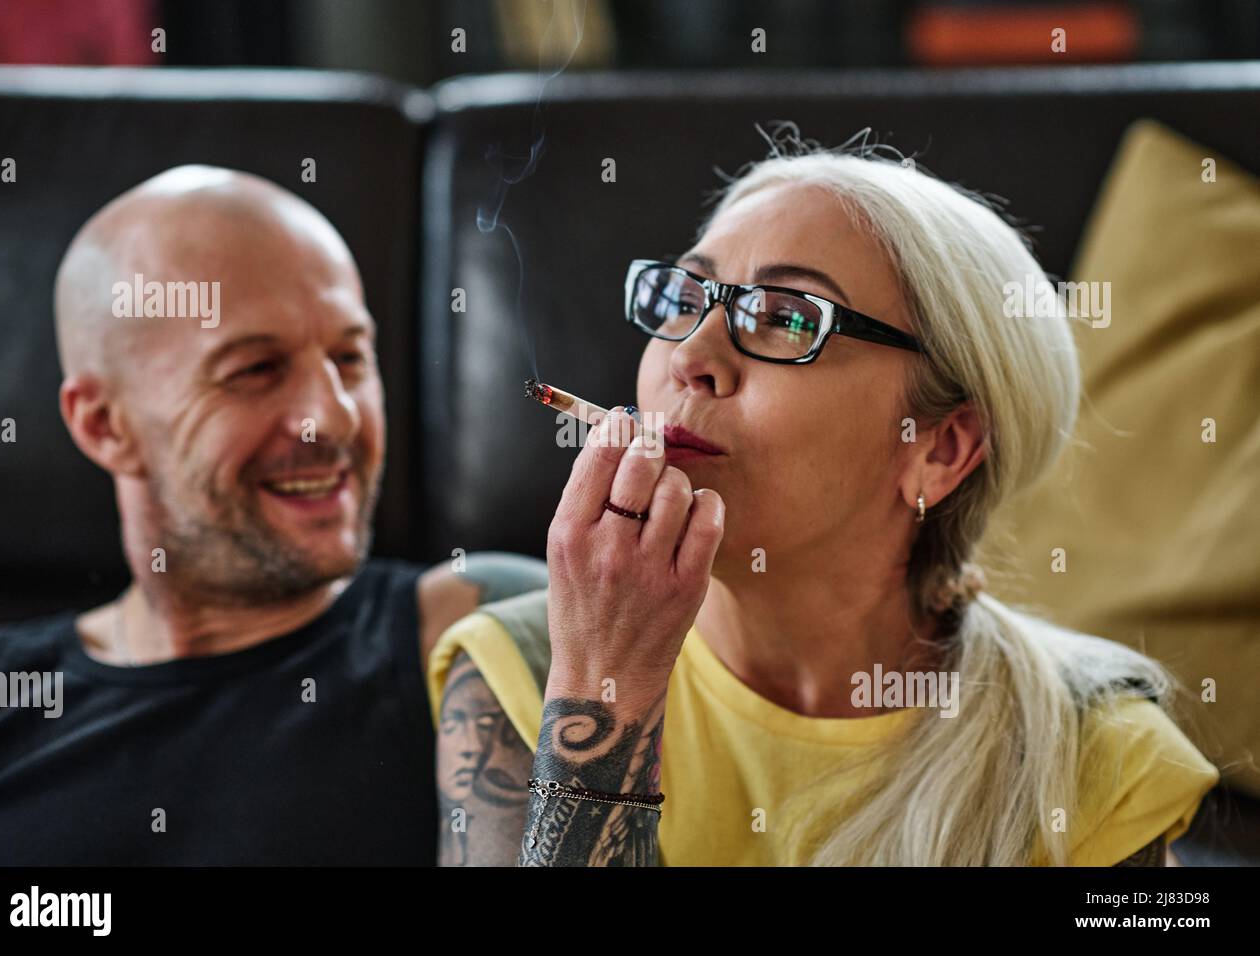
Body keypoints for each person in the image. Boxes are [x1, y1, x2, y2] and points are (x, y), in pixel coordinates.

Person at [427, 135, 1219, 866]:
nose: (692, 356)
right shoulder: (519, 675)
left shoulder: (1094, 758)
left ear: (939, 450)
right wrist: (604, 692)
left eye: (784, 318)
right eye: (683, 299)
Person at [0, 165, 545, 865]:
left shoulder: (476, 626)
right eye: (256, 371)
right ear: (104, 425)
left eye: (349, 357)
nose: (332, 417)